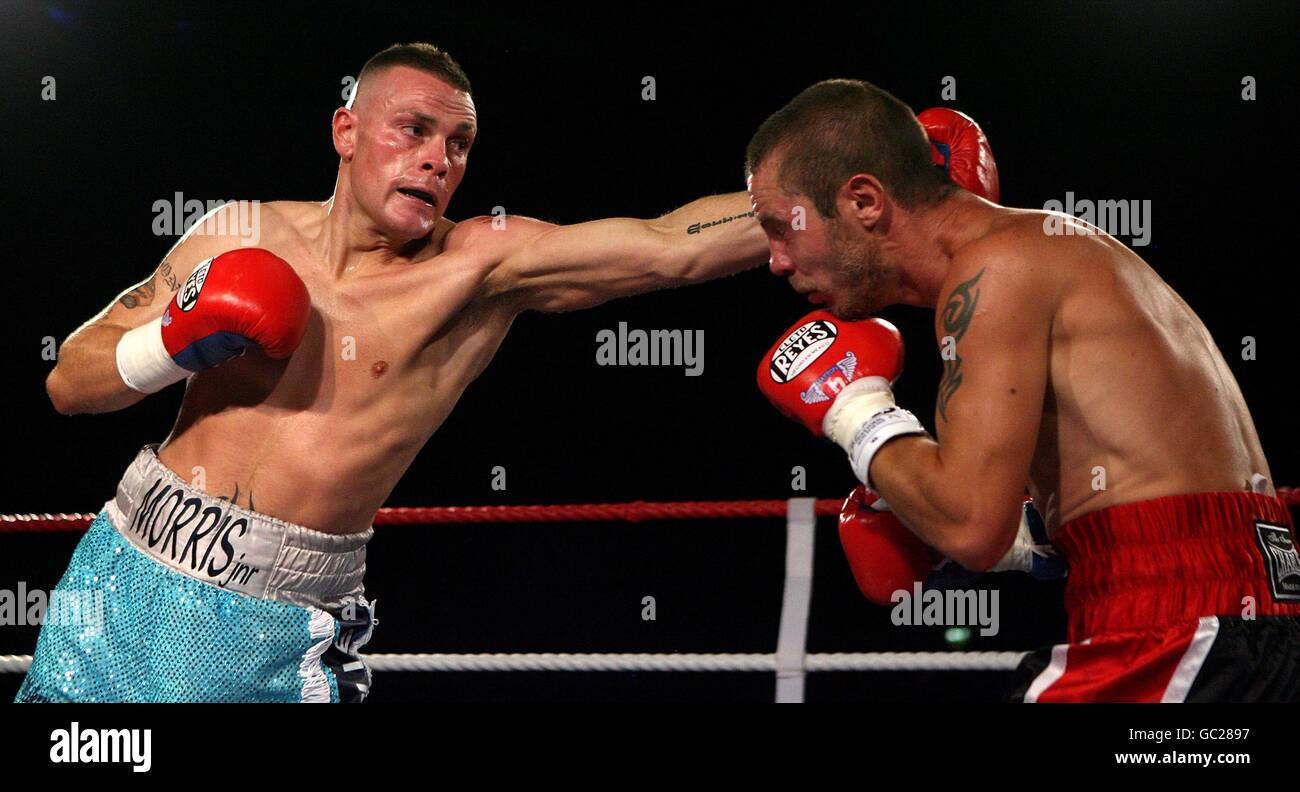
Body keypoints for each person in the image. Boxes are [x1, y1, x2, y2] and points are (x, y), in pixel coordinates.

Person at [18, 42, 767, 703]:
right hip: (119, 564)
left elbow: (672, 245)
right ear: (345, 131)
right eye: (414, 130)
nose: (440, 159)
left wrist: (811, 200)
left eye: (460, 143)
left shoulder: (478, 269)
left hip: (269, 620)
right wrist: (173, 342)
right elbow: (68, 384)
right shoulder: (241, 231)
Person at [750, 79, 1300, 702]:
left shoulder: (999, 268)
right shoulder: (1045, 252)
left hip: (1174, 632)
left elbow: (968, 528)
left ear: (865, 201)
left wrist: (855, 411)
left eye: (782, 227)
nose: (776, 260)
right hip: (1230, 618)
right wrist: (1017, 534)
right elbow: (1138, 482)